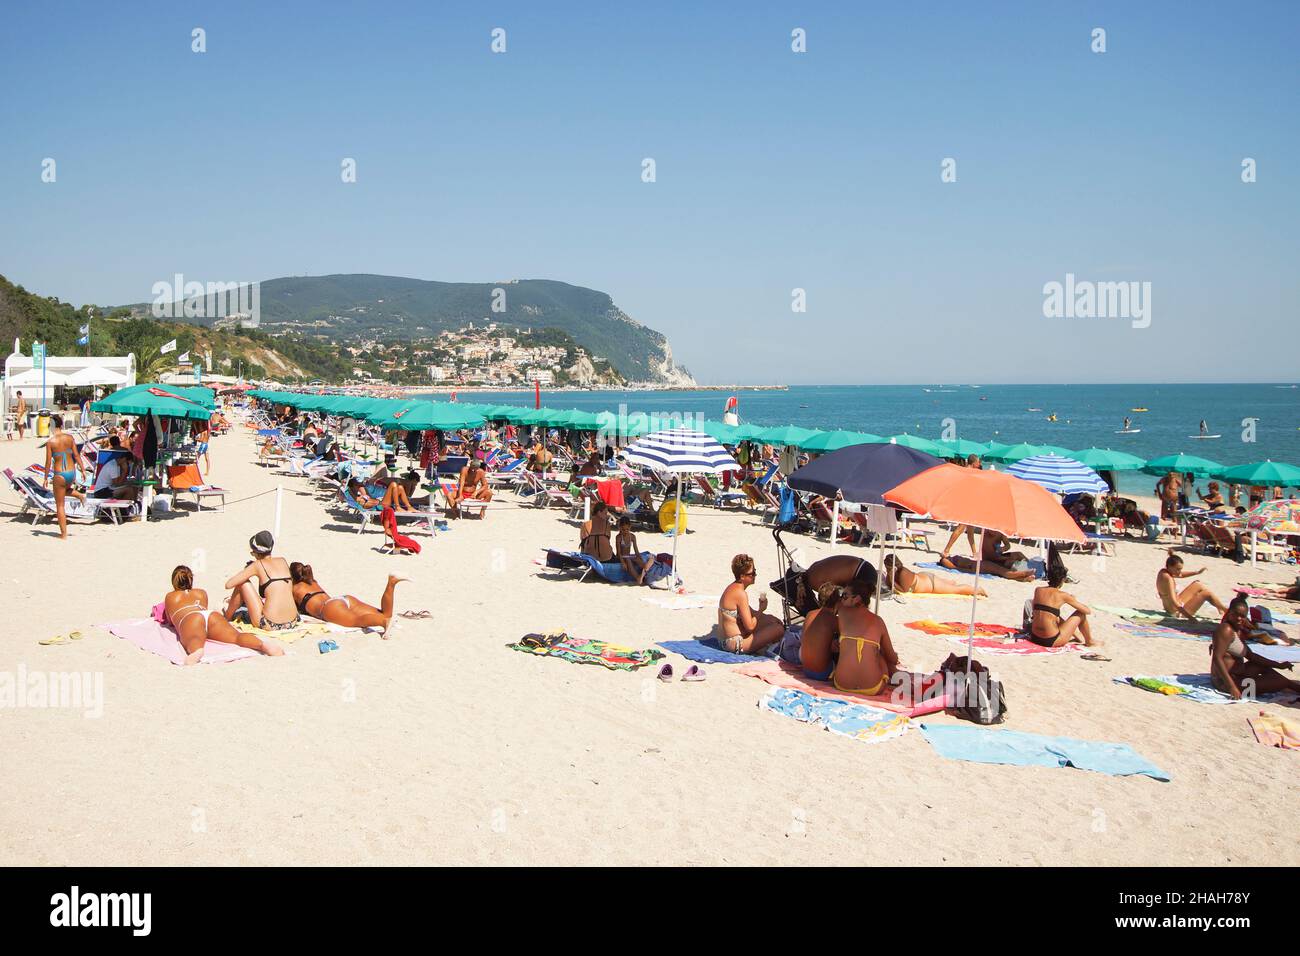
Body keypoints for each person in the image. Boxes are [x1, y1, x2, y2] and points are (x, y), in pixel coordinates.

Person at [165, 565, 284, 664]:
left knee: (194, 638)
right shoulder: (201, 593)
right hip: (210, 615)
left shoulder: (170, 597)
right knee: (236, 637)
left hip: (190, 617)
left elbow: (171, 621)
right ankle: (263, 645)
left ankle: (197, 651)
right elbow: (203, 614)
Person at [1210, 596, 1300, 699]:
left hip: (1239, 675)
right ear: (1229, 613)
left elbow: (1252, 656)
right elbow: (1217, 658)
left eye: (1242, 616)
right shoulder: (1225, 630)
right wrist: (1232, 687)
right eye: (1236, 614)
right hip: (1226, 683)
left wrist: (1279, 665)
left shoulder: (1237, 630)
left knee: (1261, 665)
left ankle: (1292, 686)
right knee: (1282, 682)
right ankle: (1291, 685)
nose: (1239, 619)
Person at [290, 563, 406, 637]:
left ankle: (383, 622)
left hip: (328, 608)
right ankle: (392, 582)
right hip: (344, 599)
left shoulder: (295, 589)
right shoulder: (312, 581)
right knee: (385, 613)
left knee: (357, 620)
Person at [831, 575, 901, 696]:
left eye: (844, 595)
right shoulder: (878, 621)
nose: (841, 599)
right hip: (872, 688)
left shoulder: (842, 614)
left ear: (857, 599)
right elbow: (893, 659)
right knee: (881, 655)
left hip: (841, 684)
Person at [224, 531, 300, 630]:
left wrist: (248, 570)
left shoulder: (257, 565)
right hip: (292, 621)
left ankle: (226, 619)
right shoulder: (283, 561)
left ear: (256, 552)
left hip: (270, 624)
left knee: (242, 584)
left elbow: (229, 585)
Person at [716, 553, 784, 654]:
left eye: (755, 572)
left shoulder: (733, 587)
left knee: (772, 620)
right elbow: (750, 627)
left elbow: (751, 615)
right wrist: (761, 609)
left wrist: (765, 615)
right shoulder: (740, 594)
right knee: (778, 629)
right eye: (752, 573)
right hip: (734, 644)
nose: (755, 575)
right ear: (742, 576)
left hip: (724, 640)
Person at [1027, 564, 1097, 647]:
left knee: (1052, 615)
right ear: (1063, 580)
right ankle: (1089, 641)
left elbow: (1035, 606)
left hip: (1035, 637)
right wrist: (1073, 600)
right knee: (1080, 614)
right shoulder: (1063, 595)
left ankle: (1078, 636)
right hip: (1051, 641)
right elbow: (1087, 611)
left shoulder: (1038, 590)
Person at [42, 415, 85, 540]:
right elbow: (76, 456)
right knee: (63, 491)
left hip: (60, 474)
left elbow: (48, 462)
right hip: (71, 473)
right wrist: (82, 470)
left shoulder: (51, 442)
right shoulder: (70, 438)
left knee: (59, 505)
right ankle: (79, 495)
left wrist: (45, 477)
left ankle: (63, 534)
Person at [1156, 552, 1227, 620]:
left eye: (1180, 569)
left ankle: (1220, 607)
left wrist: (1197, 572)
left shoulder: (1163, 572)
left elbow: (1181, 575)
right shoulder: (1169, 579)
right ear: (1169, 567)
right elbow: (1174, 602)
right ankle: (1226, 610)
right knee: (1206, 593)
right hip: (1177, 612)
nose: (1179, 572)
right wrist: (1190, 618)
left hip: (1176, 605)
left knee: (1198, 584)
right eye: (1178, 569)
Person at [883, 554, 987, 596]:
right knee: (950, 585)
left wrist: (891, 578)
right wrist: (889, 575)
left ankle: (978, 590)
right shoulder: (896, 572)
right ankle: (949, 582)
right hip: (924, 579)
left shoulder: (903, 573)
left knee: (956, 590)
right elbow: (889, 584)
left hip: (931, 584)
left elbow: (903, 590)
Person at [799, 585, 842, 680]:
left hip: (806, 669)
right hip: (822, 673)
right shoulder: (834, 620)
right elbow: (850, 634)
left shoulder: (810, 614)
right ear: (838, 602)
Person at [89, 435, 136, 500]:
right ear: (124, 459)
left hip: (107, 489)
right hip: (101, 492)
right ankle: (124, 509)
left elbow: (118, 483)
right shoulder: (113, 466)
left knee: (131, 488)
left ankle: (124, 508)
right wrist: (125, 471)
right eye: (127, 463)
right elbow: (117, 484)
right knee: (129, 490)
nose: (127, 465)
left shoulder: (116, 464)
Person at [614, 516, 648, 585]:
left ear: (630, 527)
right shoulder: (619, 537)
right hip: (621, 557)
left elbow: (636, 550)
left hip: (628, 555)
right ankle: (637, 578)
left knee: (638, 560)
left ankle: (646, 573)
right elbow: (619, 553)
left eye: (627, 529)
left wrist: (639, 558)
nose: (625, 531)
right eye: (623, 529)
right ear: (620, 528)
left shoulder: (632, 536)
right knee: (628, 560)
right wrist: (623, 562)